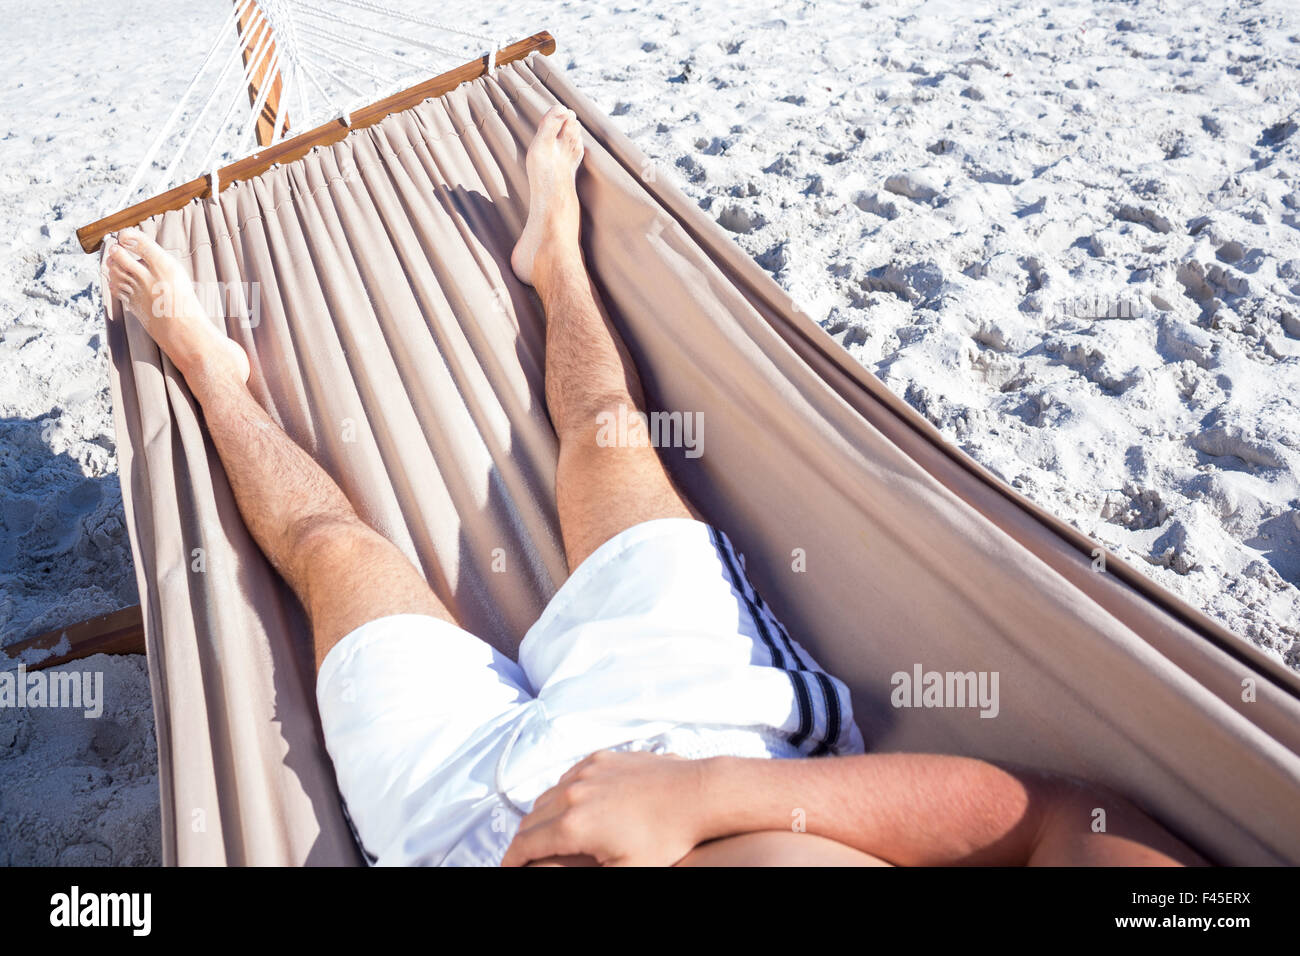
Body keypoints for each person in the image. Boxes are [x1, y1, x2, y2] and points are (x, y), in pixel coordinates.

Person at [102, 105, 1203, 868]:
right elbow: (1065, 821)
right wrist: (710, 794)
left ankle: (214, 374)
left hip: (463, 824)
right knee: (606, 432)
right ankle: (558, 261)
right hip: (708, 731)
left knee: (330, 548)